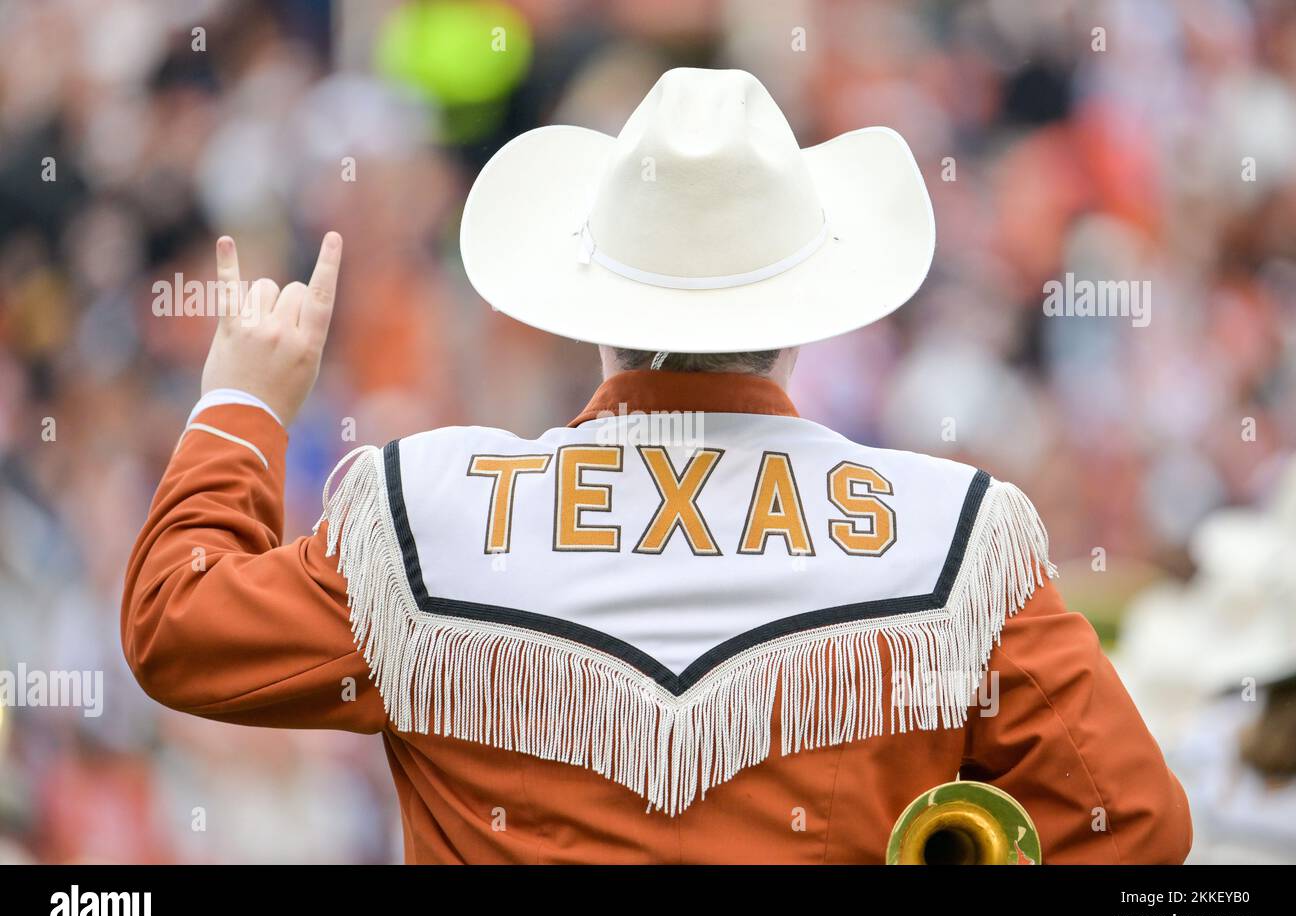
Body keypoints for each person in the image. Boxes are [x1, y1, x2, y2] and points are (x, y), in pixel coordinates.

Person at [121, 68, 1191, 863]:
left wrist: (241, 405)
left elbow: (177, 624)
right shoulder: (953, 531)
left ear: (593, 313)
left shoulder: (424, 510)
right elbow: (1136, 827)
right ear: (802, 319)